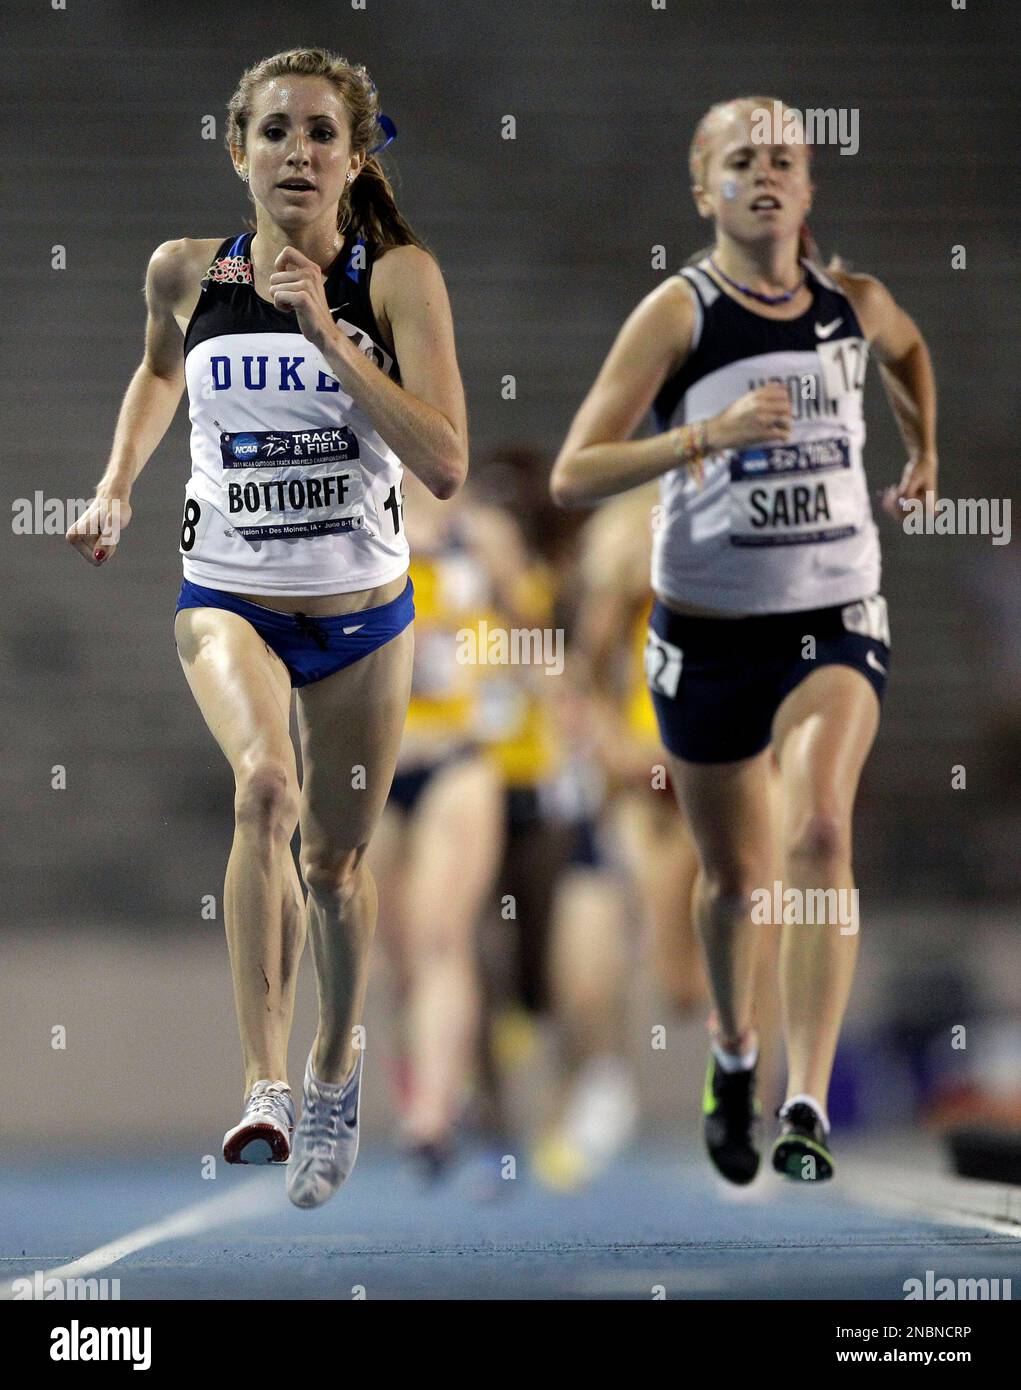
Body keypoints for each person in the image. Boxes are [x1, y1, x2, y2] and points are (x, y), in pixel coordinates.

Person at [65, 47, 468, 1209]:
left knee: (337, 867)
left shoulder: (397, 281)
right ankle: (261, 1084)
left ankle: (335, 1061)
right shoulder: (185, 271)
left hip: (362, 618)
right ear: (235, 148)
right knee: (263, 791)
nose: (298, 151)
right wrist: (114, 484)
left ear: (353, 156)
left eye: (321, 134)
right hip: (225, 598)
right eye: (276, 131)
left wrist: (333, 341)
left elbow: (443, 460)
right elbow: (156, 376)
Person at [550, 95, 938, 1184]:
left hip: (833, 616)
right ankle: (733, 1049)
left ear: (808, 187)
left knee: (817, 828)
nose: (763, 176)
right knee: (735, 878)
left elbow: (908, 351)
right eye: (739, 160)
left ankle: (802, 1098)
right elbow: (575, 471)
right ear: (701, 185)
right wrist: (703, 437)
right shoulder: (678, 315)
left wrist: (926, 454)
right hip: (709, 635)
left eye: (782, 160)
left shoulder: (852, 304)